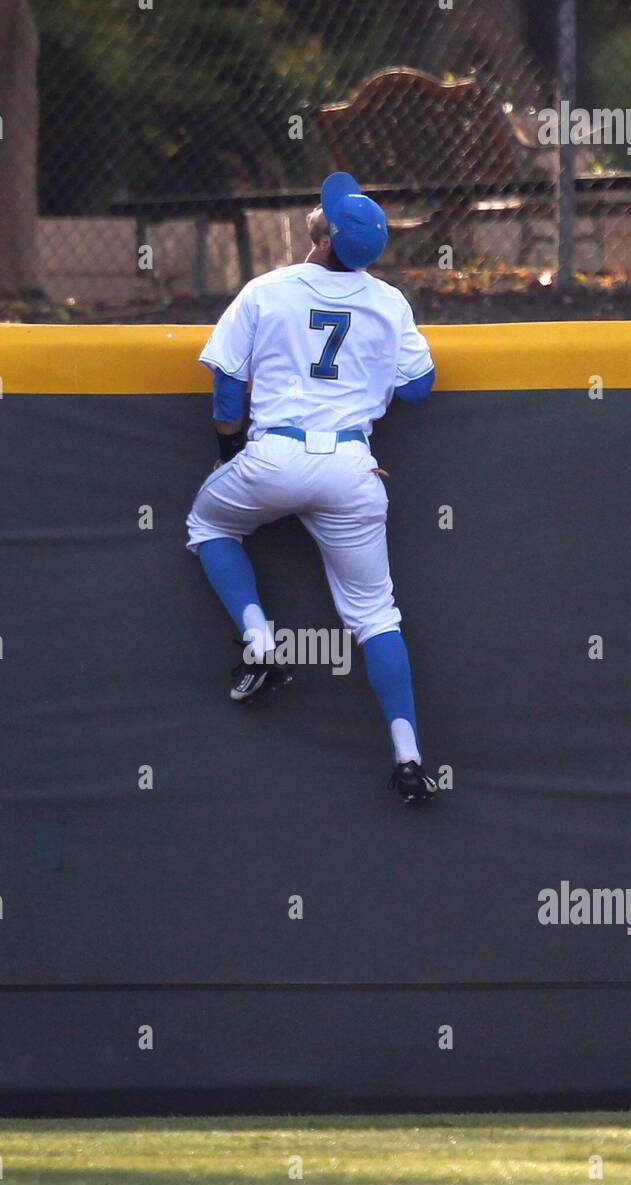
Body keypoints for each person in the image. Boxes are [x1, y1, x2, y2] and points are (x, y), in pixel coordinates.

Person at [185, 172, 437, 804]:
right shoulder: (388, 301)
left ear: (322, 239)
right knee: (377, 616)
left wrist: (227, 458)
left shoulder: (267, 290)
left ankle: (262, 645)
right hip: (353, 466)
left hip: (274, 452)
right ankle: (409, 757)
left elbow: (225, 395)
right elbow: (418, 387)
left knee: (210, 525)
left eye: (323, 217)